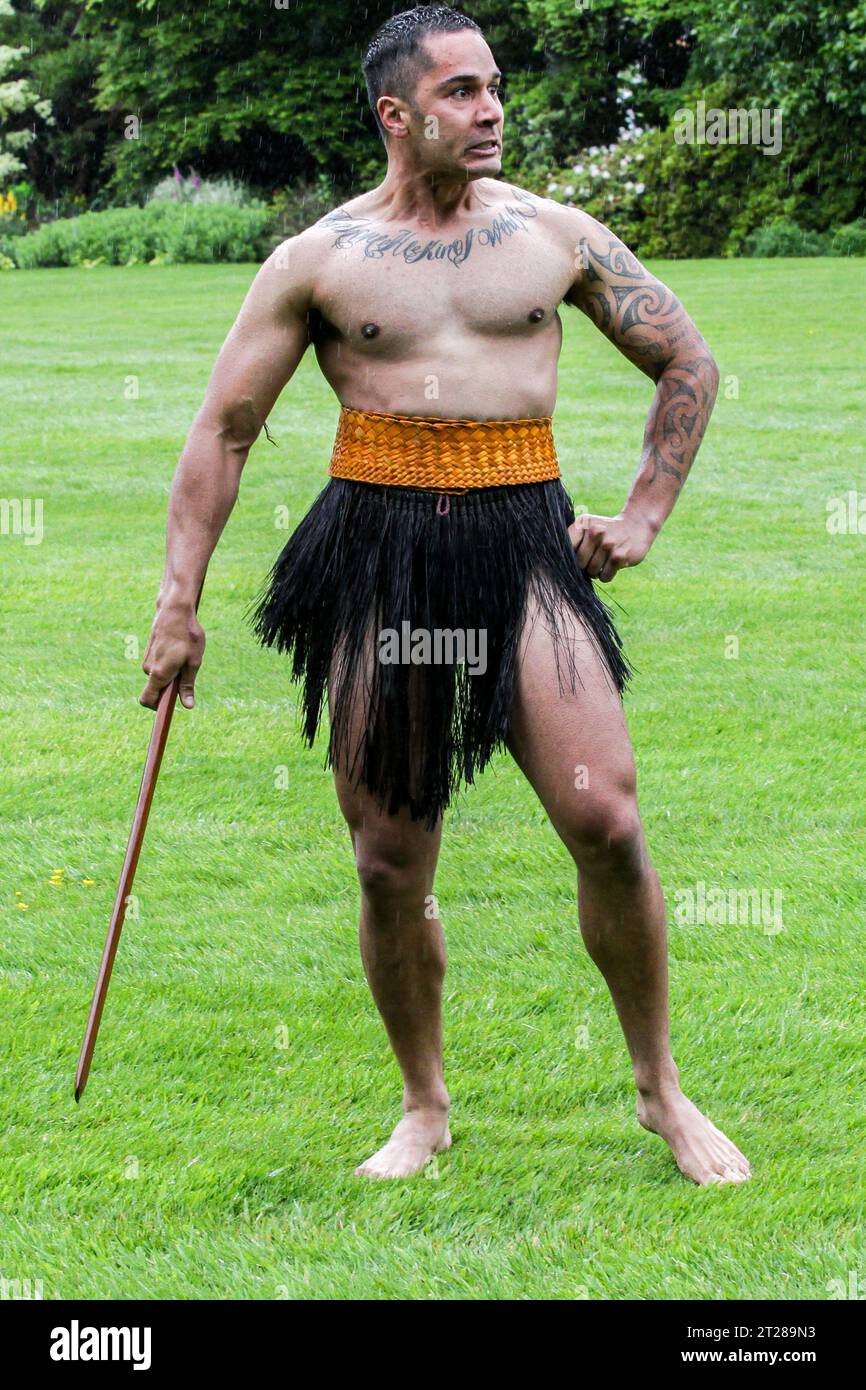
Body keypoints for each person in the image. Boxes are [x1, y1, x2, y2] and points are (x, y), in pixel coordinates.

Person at [139, 5, 752, 1187]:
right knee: (388, 859)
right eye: (462, 91)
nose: (490, 110)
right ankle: (423, 1107)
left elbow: (688, 358)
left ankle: (658, 1090)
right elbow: (224, 429)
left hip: (524, 539)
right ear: (396, 112)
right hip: (375, 547)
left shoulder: (553, 236)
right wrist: (177, 603)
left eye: (495, 87)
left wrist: (639, 516)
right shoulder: (318, 259)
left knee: (606, 823)